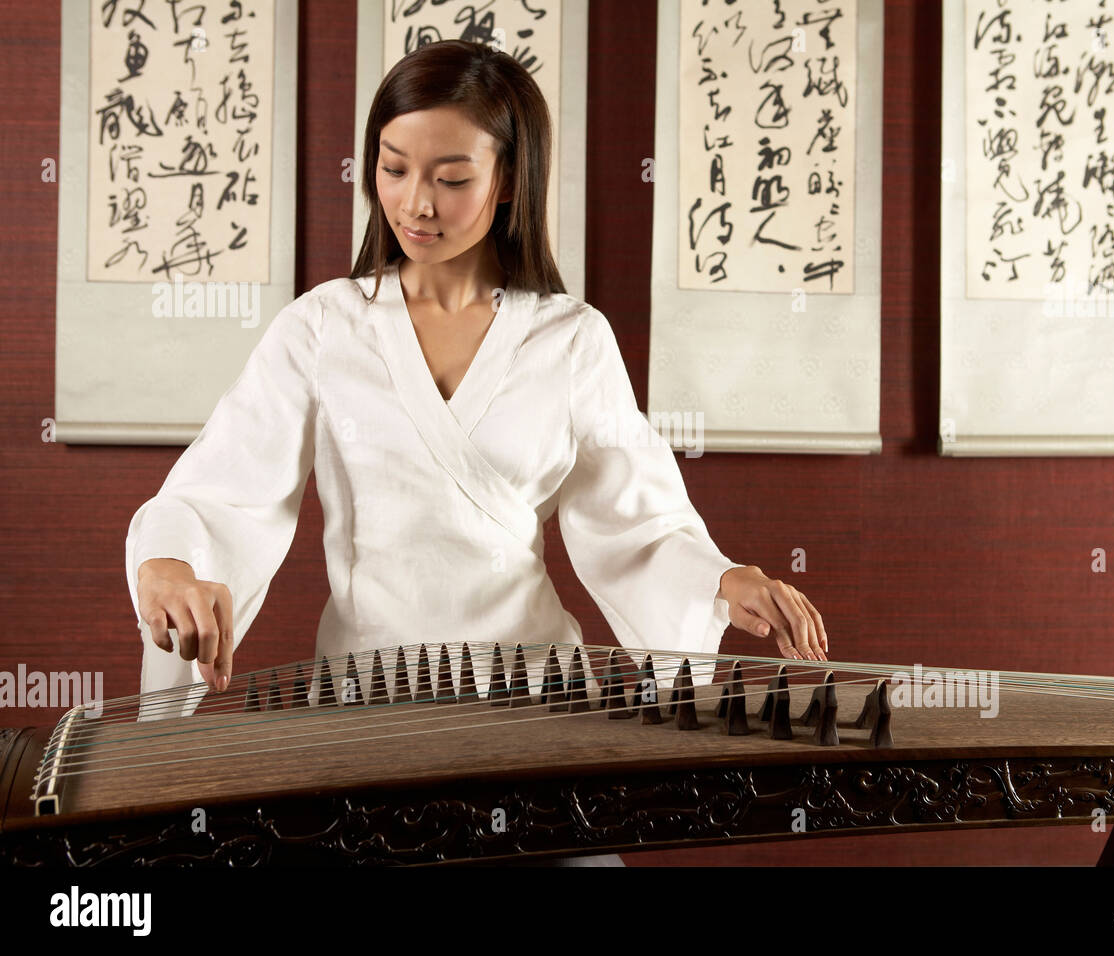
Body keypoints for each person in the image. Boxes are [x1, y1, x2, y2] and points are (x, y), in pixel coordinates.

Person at [126, 42, 831, 842]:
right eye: (393, 169)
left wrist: (717, 578)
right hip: (366, 703)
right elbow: (222, 488)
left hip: (535, 700)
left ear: (509, 181)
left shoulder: (570, 339)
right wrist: (172, 563)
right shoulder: (324, 326)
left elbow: (640, 524)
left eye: (451, 178)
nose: (415, 203)